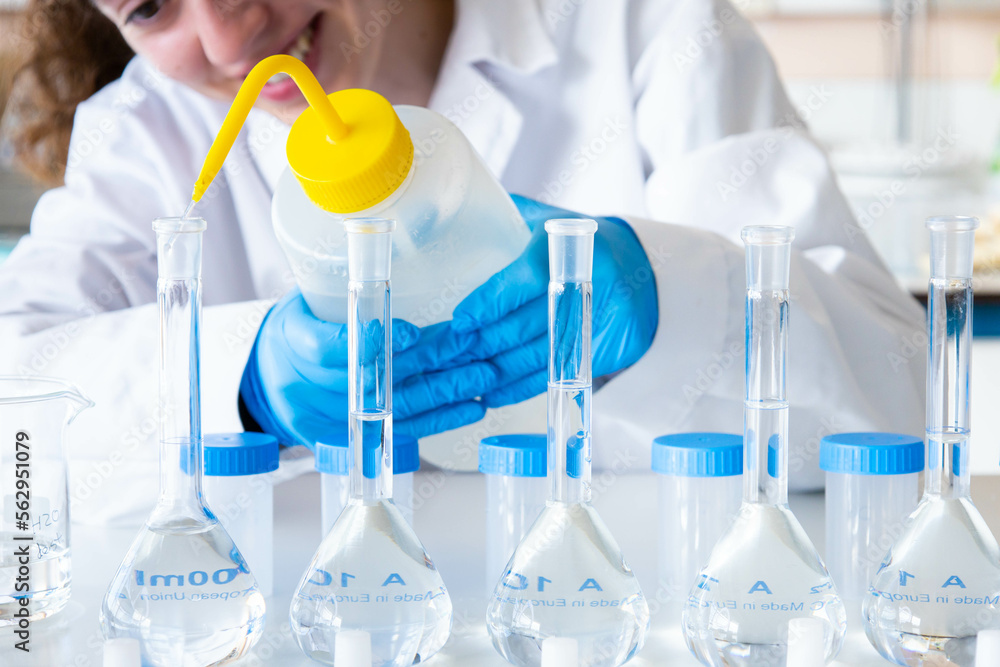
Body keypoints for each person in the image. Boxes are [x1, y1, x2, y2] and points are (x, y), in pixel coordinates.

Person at [1, 0, 925, 525]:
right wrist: (240, 384)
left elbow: (899, 404)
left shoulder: (644, 26)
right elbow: (16, 418)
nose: (228, 37)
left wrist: (673, 303)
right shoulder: (148, 139)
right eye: (149, 7)